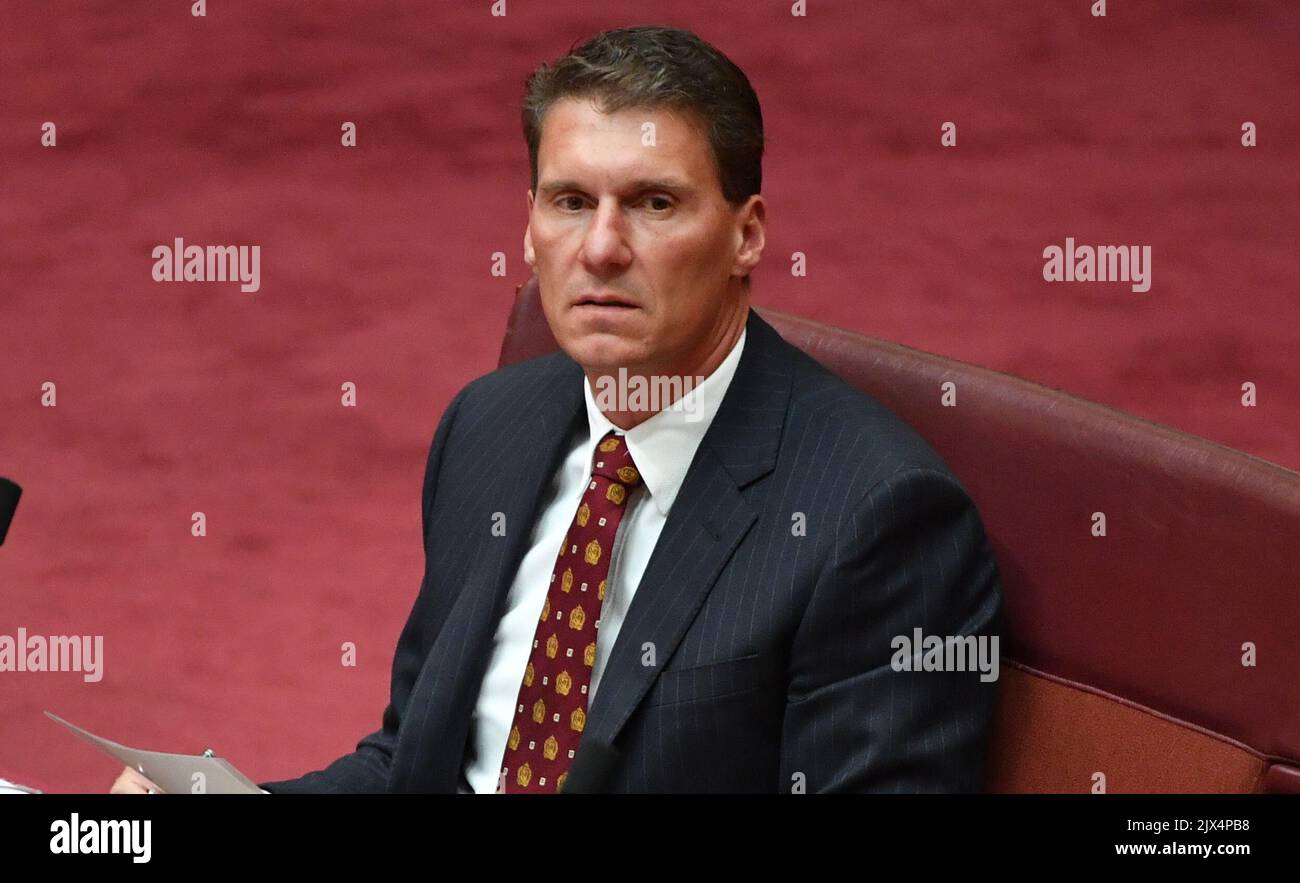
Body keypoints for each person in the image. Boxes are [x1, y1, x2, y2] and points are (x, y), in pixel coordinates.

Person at [114, 24, 1001, 795]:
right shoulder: (488, 426)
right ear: (529, 225)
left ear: (747, 234)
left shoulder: (876, 518)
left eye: (654, 203)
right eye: (571, 202)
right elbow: (413, 762)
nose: (602, 247)